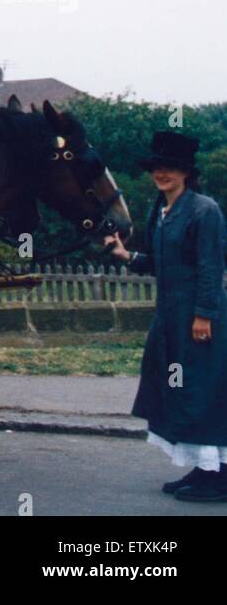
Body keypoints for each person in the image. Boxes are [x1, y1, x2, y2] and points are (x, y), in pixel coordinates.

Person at [107, 131, 227, 502]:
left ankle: (220, 478)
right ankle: (202, 467)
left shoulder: (204, 210)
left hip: (199, 316)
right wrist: (126, 256)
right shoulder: (160, 210)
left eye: (171, 168)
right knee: (176, 391)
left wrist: (204, 315)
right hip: (170, 318)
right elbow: (161, 264)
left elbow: (210, 266)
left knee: (203, 392)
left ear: (186, 173)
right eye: (158, 167)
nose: (163, 174)